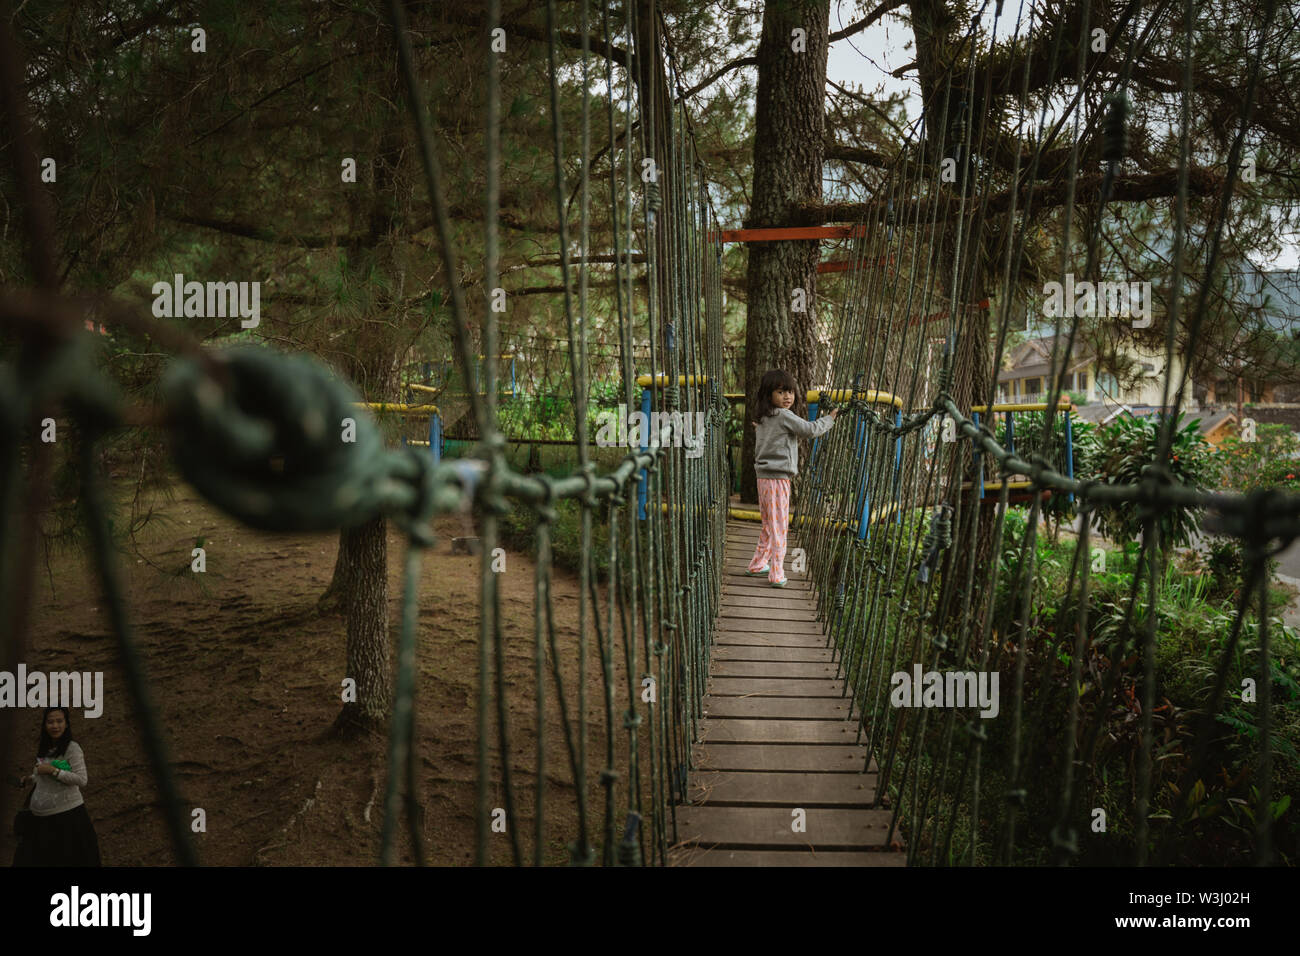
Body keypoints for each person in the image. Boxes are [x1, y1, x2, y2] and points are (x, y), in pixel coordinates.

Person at [747, 369, 838, 587]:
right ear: (769, 395)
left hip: (763, 478)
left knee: (770, 524)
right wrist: (830, 419)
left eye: (790, 392)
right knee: (780, 526)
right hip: (778, 479)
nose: (787, 397)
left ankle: (758, 564)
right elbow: (810, 429)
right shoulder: (784, 416)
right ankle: (777, 573)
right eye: (781, 392)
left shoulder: (763, 418)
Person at [11, 707, 101, 866]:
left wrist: (53, 771)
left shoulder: (72, 748)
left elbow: (82, 779)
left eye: (59, 721)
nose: (55, 726)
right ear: (45, 725)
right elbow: (44, 775)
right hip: (41, 820)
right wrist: (30, 778)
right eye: (50, 722)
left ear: (66, 724)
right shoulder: (46, 748)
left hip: (67, 819)